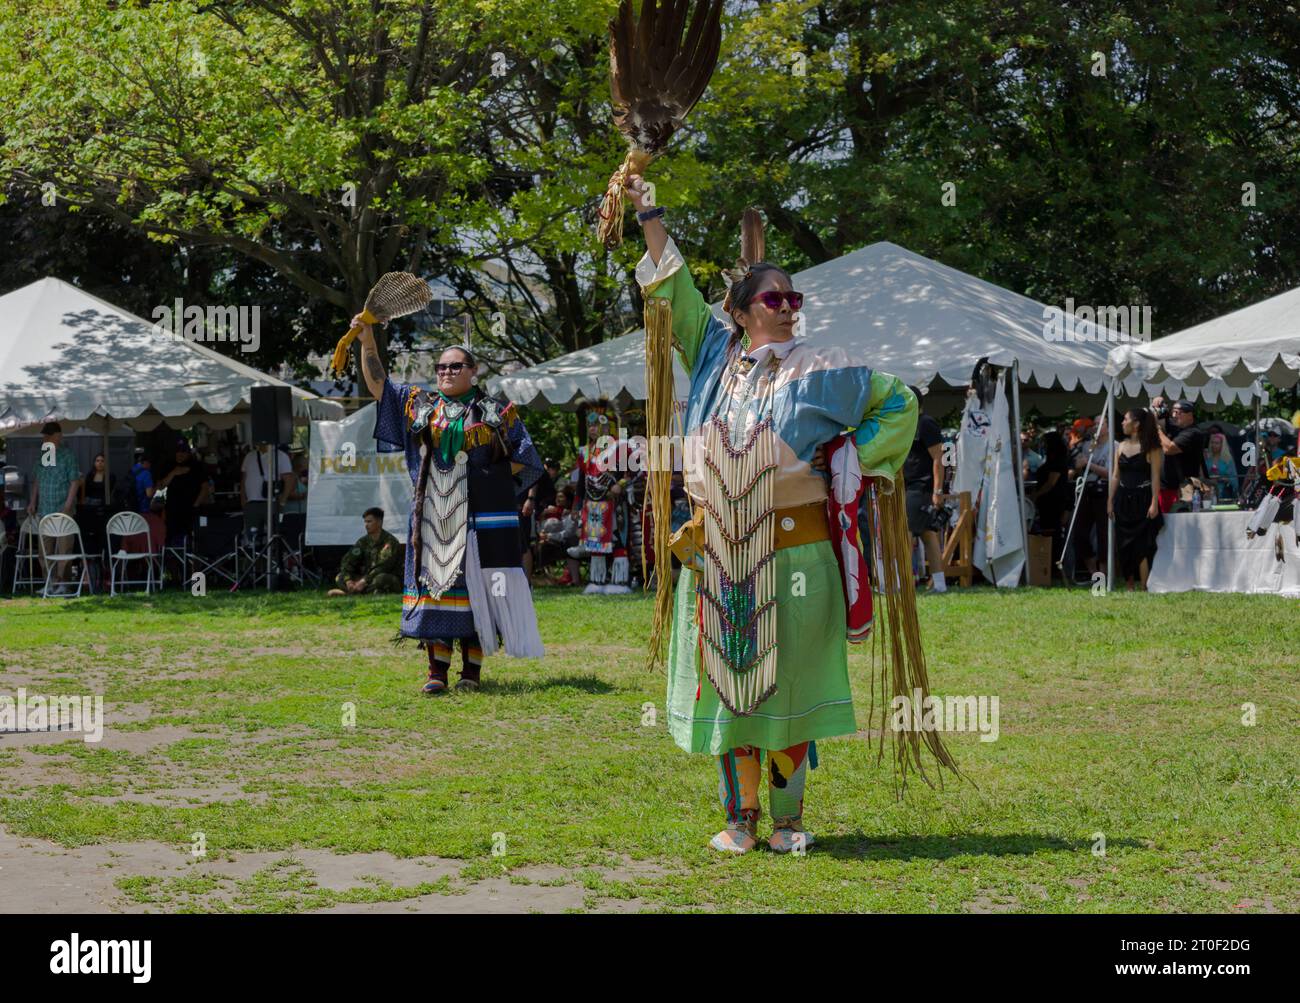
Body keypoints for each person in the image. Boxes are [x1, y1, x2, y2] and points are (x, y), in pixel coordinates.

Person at [627, 175, 953, 855]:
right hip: (718, 553)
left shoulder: (824, 368)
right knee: (731, 687)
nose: (789, 310)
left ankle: (789, 820)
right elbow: (674, 289)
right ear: (742, 312)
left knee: (788, 691)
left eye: (794, 299)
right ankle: (739, 818)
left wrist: (851, 459)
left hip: (795, 557)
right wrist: (649, 210)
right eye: (774, 299)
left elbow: (900, 405)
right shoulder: (714, 357)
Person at [353, 323, 545, 696]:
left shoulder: (495, 412)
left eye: (455, 366)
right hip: (433, 518)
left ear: (473, 371)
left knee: (476, 594)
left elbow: (527, 460)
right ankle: (436, 671)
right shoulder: (421, 406)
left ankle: (471, 671)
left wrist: (490, 482)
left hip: (478, 523)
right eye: (441, 367)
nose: (446, 372)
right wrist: (368, 342)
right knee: (437, 592)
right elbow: (380, 386)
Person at [1108, 408, 1163, 590]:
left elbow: (1156, 476)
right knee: (1124, 544)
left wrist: (1154, 502)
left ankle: (1144, 586)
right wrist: (1110, 500)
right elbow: (1116, 476)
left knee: (1142, 544)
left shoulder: (1152, 447)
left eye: (1125, 419)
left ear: (1136, 424)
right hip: (1123, 499)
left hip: (1144, 498)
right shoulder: (1120, 446)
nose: (1122, 423)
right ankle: (1129, 585)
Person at [27, 422, 83, 592]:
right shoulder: (45, 455)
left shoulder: (68, 455)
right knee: (45, 550)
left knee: (64, 548)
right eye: (45, 436)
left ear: (58, 436)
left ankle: (63, 583)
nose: (45, 439)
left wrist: (67, 505)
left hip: (62, 509)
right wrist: (32, 502)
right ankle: (49, 582)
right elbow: (38, 480)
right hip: (45, 509)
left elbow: (75, 481)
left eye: (49, 436)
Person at [902, 385, 946, 592]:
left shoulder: (926, 423)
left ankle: (904, 584)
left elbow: (938, 458)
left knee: (906, 535)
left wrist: (937, 491)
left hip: (920, 488)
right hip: (911, 487)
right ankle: (939, 584)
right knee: (929, 535)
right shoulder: (908, 423)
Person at [328, 507, 402, 596]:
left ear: (379, 522)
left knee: (380, 579)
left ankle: (352, 593)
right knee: (340, 577)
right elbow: (347, 561)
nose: (366, 525)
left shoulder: (390, 541)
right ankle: (359, 590)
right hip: (366, 579)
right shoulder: (363, 541)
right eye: (365, 522)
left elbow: (382, 567)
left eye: (369, 522)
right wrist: (348, 580)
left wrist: (364, 581)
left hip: (385, 577)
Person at [1030, 430, 1071, 581]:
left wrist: (1036, 494)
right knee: (1048, 533)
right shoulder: (1052, 459)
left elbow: (1051, 482)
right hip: (1047, 502)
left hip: (1053, 502)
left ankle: (1055, 567)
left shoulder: (1057, 461)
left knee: (1053, 535)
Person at [1073, 418, 1112, 577]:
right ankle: (1093, 571)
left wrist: (1088, 463)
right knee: (1079, 532)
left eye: (1100, 424)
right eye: (1095, 424)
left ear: (1108, 427)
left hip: (1104, 491)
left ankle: (1103, 574)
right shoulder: (1088, 446)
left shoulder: (1114, 446)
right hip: (1087, 490)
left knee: (1104, 534)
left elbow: (1110, 474)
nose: (1096, 427)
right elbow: (1077, 467)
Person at [157, 438, 213, 547]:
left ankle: (191, 560)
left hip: (191, 509)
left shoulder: (196, 466)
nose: (180, 454)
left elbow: (205, 487)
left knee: (192, 539)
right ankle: (174, 560)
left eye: (183, 451)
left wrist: (196, 505)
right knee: (171, 537)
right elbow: (160, 486)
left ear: (188, 452)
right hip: (172, 509)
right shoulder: (169, 465)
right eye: (178, 451)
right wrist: (173, 473)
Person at [1153, 398, 1204, 513]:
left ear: (1189, 415)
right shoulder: (1177, 427)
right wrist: (1158, 402)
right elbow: (1162, 419)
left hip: (1184, 489)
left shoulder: (1193, 433)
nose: (1174, 415)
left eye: (1178, 412)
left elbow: (1169, 448)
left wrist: (1156, 427)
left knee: (1182, 525)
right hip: (1166, 488)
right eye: (1173, 412)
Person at [1203, 430, 1238, 500]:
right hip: (1208, 493)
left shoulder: (1228, 460)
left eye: (1216, 443)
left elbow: (1234, 479)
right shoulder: (1207, 459)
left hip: (1224, 494)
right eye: (1212, 443)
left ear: (1222, 445)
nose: (1213, 445)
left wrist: (1221, 479)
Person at [127, 448, 155, 514]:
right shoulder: (146, 473)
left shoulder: (132, 469)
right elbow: (149, 494)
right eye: (150, 463)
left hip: (130, 507)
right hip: (142, 509)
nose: (150, 466)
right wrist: (156, 487)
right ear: (146, 462)